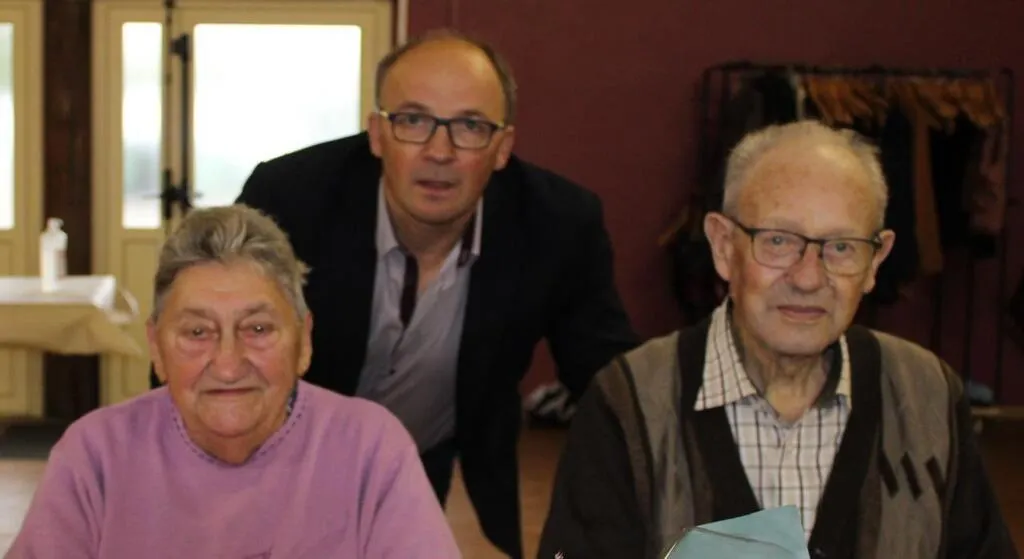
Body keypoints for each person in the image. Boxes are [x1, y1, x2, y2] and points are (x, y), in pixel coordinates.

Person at [144, 29, 638, 558]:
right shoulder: (290, 199)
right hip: (276, 456)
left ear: (502, 148)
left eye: (470, 126)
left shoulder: (557, 223)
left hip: (436, 465)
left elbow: (611, 383)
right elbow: (192, 335)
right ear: (377, 134)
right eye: (413, 121)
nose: (439, 151)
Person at [537, 121, 1018, 559]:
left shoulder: (927, 395)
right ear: (724, 247)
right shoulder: (630, 403)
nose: (809, 278)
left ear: (876, 262)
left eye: (841, 247)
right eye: (779, 241)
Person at [9, 205, 461, 558]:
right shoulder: (94, 456)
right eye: (197, 332)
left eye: (259, 329)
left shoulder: (370, 448)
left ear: (303, 342)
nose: (227, 365)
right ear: (156, 347)